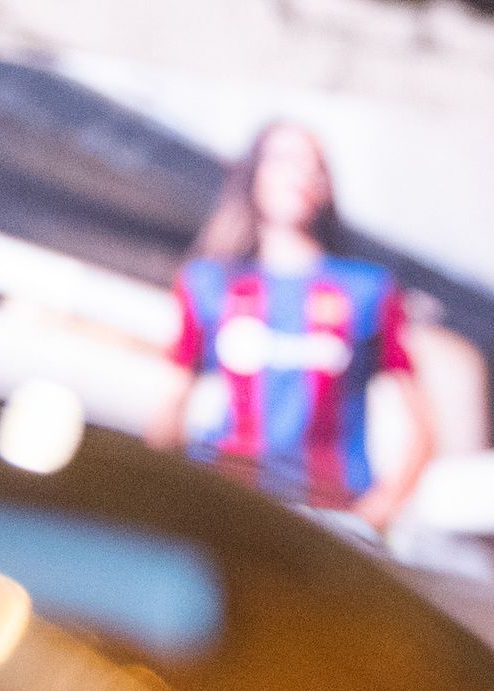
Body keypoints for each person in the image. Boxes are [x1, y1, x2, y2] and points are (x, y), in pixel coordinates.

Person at [148, 121, 436, 532]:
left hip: (330, 515)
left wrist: (374, 514)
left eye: (314, 165)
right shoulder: (207, 283)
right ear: (253, 175)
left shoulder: (368, 289)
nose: (300, 175)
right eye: (285, 159)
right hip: (227, 500)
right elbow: (170, 407)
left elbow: (423, 428)